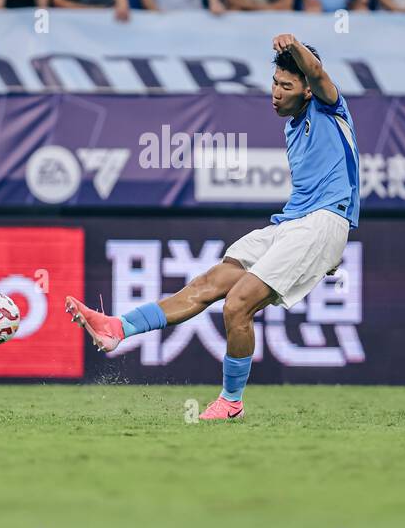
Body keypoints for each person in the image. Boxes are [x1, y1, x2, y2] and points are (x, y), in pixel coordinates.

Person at [66, 34, 358, 421]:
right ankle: (117, 328)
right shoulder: (293, 127)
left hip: (320, 223)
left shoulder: (329, 108)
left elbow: (318, 71)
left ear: (306, 90)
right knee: (208, 284)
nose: (275, 93)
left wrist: (295, 46)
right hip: (291, 224)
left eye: (287, 86)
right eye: (274, 83)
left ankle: (231, 401)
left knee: (238, 305)